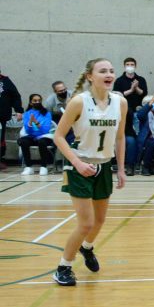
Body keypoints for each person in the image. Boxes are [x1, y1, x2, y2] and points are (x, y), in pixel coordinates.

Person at [50, 58, 128, 286]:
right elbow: (59, 136)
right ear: (90, 76)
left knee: (100, 221)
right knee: (86, 223)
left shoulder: (120, 102)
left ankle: (87, 248)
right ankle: (63, 267)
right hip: (80, 165)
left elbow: (120, 137)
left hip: (103, 166)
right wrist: (77, 163)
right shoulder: (79, 102)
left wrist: (121, 169)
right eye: (103, 71)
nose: (109, 74)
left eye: (112, 71)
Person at [19, 94, 55, 175]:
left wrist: (35, 122)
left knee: (42, 142)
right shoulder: (27, 114)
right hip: (31, 136)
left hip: (44, 137)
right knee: (23, 141)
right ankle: (28, 167)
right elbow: (28, 131)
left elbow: (45, 130)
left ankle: (43, 166)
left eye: (39, 100)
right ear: (31, 102)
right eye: (35, 101)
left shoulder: (46, 113)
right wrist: (30, 123)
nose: (37, 102)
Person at [0, 65, 23, 169]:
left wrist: (18, 110)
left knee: (1, 138)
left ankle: (0, 159)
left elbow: (15, 96)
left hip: (1, 116)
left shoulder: (6, 81)